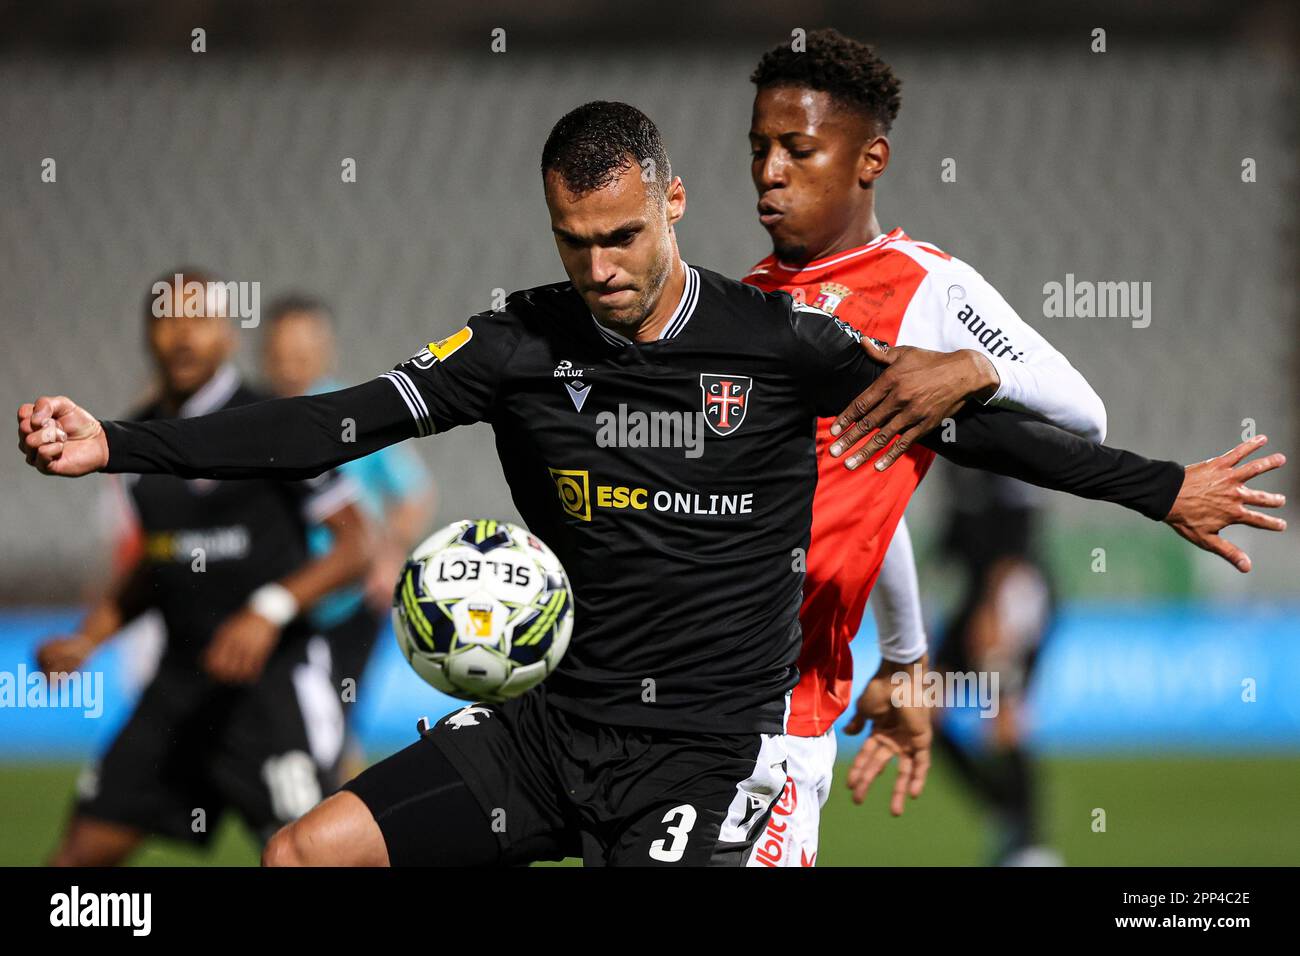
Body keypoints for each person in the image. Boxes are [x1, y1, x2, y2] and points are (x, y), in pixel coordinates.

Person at [17, 104, 1285, 867]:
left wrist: (1159, 485)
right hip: (553, 727)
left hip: (707, 756)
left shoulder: (781, 344)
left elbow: (974, 435)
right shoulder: (515, 343)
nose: (603, 265)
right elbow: (330, 426)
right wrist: (119, 442)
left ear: (672, 204)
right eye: (576, 242)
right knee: (307, 849)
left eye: (624, 234)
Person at [738, 29, 1287, 865]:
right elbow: (850, 501)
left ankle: (1026, 841)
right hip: (711, 684)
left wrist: (972, 367)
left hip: (783, 705)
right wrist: (907, 655)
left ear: (869, 159)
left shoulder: (927, 284)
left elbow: (1082, 411)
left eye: (798, 149)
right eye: (759, 148)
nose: (769, 172)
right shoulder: (745, 303)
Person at [33, 271, 371, 865]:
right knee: (75, 863)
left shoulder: (274, 422)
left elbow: (354, 546)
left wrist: (269, 610)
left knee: (319, 856)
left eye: (200, 321)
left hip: (273, 689)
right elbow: (156, 563)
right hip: (178, 691)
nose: (184, 337)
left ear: (228, 336)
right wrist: (88, 638)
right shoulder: (130, 446)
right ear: (147, 335)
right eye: (168, 321)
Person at [262, 295, 436, 777]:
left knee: (332, 725)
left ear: (325, 351)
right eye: (279, 356)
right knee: (307, 727)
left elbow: (413, 493)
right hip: (284, 601)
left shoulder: (356, 415)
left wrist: (387, 555)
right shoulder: (255, 421)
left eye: (301, 354)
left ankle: (342, 831)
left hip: (348, 602)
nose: (290, 367)